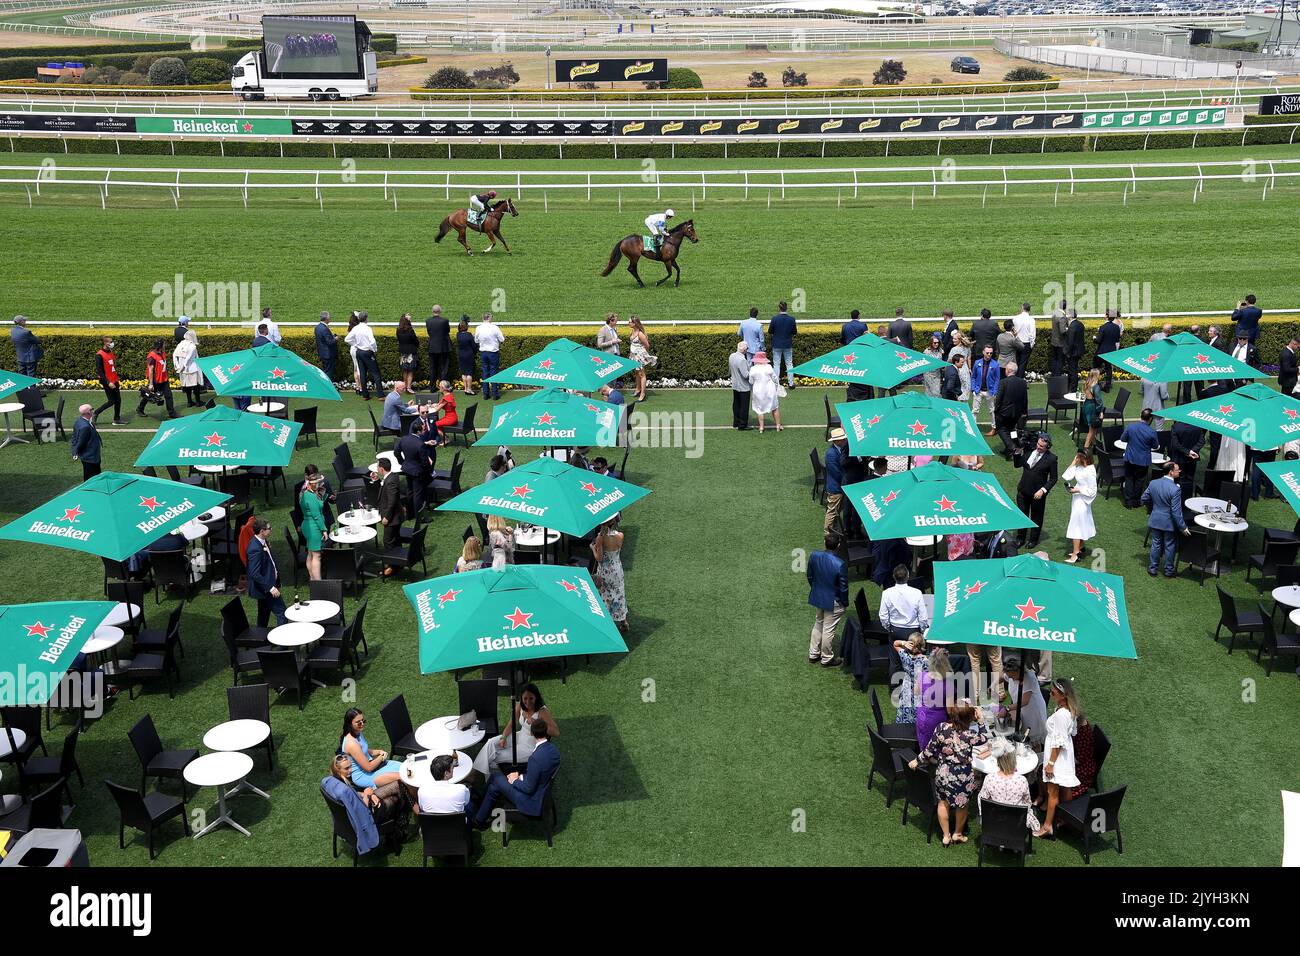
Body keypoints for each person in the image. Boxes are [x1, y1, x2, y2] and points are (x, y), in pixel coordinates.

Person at [909, 700, 988, 846]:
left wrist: (916, 761)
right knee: (962, 806)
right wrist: (981, 720)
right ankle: (957, 834)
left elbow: (928, 751)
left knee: (942, 803)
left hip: (943, 775)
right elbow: (984, 738)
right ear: (969, 718)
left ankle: (946, 836)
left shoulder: (941, 728)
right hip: (962, 778)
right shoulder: (970, 734)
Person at [473, 718, 560, 829]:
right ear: (546, 731)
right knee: (494, 787)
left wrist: (514, 780)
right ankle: (481, 814)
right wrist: (521, 776)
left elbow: (528, 788)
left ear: (532, 733)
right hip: (540, 792)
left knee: (495, 778)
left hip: (530, 801)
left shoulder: (535, 758)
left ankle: (480, 813)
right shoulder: (554, 751)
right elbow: (539, 774)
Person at [473, 683, 559, 776]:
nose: (528, 702)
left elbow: (556, 732)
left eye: (531, 698)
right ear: (521, 698)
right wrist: (504, 737)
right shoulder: (520, 706)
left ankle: (487, 777)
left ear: (536, 697)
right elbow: (511, 724)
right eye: (525, 698)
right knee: (491, 743)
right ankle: (474, 773)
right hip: (518, 737)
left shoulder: (542, 711)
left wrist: (536, 723)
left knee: (494, 757)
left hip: (530, 747)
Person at [1035, 678, 1082, 838]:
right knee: (1066, 789)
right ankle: (1066, 819)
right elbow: (1071, 734)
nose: (1052, 692)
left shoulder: (1062, 714)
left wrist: (1050, 764)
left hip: (1058, 759)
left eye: (1054, 691)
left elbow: (1059, 742)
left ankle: (1048, 825)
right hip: (1065, 757)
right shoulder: (1066, 709)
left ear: (1063, 694)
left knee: (1052, 792)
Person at [806, 532, 847, 667]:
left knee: (819, 623)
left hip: (819, 597)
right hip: (833, 601)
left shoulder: (814, 555)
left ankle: (813, 653)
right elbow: (843, 588)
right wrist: (844, 603)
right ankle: (827, 658)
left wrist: (816, 590)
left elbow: (810, 576)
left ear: (825, 543)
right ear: (839, 545)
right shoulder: (840, 564)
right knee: (828, 629)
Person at [1143, 461, 1190, 578]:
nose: (1179, 471)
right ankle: (1169, 570)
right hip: (1168, 523)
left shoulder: (1153, 483)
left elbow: (1144, 498)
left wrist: (1153, 509)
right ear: (1170, 472)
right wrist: (1183, 527)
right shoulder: (1175, 490)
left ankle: (1153, 568)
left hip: (1155, 519)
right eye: (1177, 470)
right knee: (1170, 545)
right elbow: (1176, 511)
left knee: (1156, 543)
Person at [1013, 431, 1057, 550]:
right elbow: (1017, 464)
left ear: (1047, 447)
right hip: (1023, 490)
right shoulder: (1029, 451)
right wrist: (1017, 451)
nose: (1038, 447)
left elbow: (1053, 479)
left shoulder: (1052, 459)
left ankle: (1033, 540)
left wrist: (1043, 490)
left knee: (1036, 517)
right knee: (1022, 514)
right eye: (1038, 444)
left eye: (1041, 446)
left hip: (1037, 494)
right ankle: (1020, 538)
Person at [978, 748, 1039, 832]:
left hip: (994, 819)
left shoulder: (989, 778)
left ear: (998, 761)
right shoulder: (1022, 780)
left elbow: (982, 799)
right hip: (1016, 820)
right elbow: (1027, 802)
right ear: (1014, 760)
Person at [339, 708, 402, 789]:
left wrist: (379, 751)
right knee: (400, 775)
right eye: (358, 722)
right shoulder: (351, 744)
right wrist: (381, 757)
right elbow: (369, 768)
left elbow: (363, 751)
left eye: (363, 721)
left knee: (402, 767)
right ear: (350, 724)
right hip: (364, 775)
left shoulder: (357, 732)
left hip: (371, 766)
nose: (362, 724)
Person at [246, 518, 286, 627]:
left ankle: (260, 639)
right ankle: (283, 642)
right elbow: (255, 573)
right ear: (262, 531)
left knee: (263, 614)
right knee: (282, 613)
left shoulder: (262, 542)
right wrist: (271, 588)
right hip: (265, 587)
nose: (271, 529)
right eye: (269, 528)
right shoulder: (255, 548)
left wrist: (277, 582)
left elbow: (270, 562)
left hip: (266, 586)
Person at [1001, 655, 1048, 748]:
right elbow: (1002, 676)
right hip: (1022, 710)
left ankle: (1037, 760)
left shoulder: (1029, 678)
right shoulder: (1011, 674)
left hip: (1033, 712)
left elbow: (1024, 701)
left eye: (1012, 676)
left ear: (1018, 671)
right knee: (1022, 738)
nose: (1010, 678)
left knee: (1033, 741)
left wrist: (1007, 708)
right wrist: (992, 685)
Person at [591, 517, 627, 633]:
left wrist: (593, 548)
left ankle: (606, 623)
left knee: (605, 595)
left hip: (606, 571)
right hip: (617, 569)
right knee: (619, 593)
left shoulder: (600, 538)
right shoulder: (620, 535)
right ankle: (623, 622)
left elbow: (599, 559)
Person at [1120, 408, 1160, 508]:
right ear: (1150, 419)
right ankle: (1136, 501)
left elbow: (1123, 439)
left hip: (1130, 458)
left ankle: (1128, 502)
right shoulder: (1151, 431)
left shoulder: (1131, 427)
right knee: (1139, 480)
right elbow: (1155, 446)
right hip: (1143, 461)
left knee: (1129, 479)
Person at [1062, 450, 1097, 564]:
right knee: (1080, 524)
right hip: (1077, 499)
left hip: (1082, 502)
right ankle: (1080, 548)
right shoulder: (1080, 466)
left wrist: (1078, 490)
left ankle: (1075, 554)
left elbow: (1092, 491)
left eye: (1078, 457)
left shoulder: (1090, 470)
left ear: (1083, 458)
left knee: (1076, 525)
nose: (1076, 458)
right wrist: (1073, 462)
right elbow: (1067, 477)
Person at [879, 564, 928, 642]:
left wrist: (889, 628)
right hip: (913, 631)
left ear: (894, 576)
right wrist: (921, 631)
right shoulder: (917, 593)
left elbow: (883, 616)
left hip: (895, 630)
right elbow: (923, 617)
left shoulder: (886, 593)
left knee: (895, 653)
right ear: (908, 576)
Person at [374, 458, 404, 575]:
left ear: (381, 469)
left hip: (392, 518)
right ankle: (398, 563)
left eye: (378, 468)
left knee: (388, 542)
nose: (377, 469)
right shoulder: (392, 477)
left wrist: (386, 517)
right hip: (396, 516)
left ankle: (392, 566)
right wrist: (378, 481)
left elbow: (391, 502)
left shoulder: (390, 481)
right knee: (395, 540)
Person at [417, 754, 471, 818]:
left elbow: (422, 807)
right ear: (446, 773)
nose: (453, 769)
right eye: (452, 768)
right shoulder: (461, 789)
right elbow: (466, 802)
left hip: (432, 826)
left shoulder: (422, 790)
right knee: (469, 806)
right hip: (455, 825)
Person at [344, 312, 382, 400]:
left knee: (362, 373)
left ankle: (365, 395)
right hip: (367, 351)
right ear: (366, 319)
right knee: (376, 373)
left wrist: (356, 344)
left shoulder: (356, 328)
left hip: (359, 352)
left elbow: (347, 339)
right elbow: (372, 341)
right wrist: (374, 349)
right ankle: (380, 395)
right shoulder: (367, 329)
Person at [891, 632, 927, 724]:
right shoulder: (926, 661)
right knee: (918, 711)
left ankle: (903, 729)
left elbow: (895, 643)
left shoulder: (905, 656)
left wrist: (903, 643)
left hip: (907, 688)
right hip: (919, 690)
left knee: (905, 710)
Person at [136, 338, 177, 419]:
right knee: (149, 395)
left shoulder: (162, 353)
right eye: (163, 344)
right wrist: (151, 384)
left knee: (168, 396)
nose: (165, 345)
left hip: (164, 379)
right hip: (156, 380)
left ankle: (171, 413)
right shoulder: (152, 356)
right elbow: (151, 370)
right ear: (160, 345)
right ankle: (140, 409)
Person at [992, 363, 1027, 456]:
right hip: (1016, 413)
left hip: (1004, 412)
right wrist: (1024, 412)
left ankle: (1010, 446)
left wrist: (996, 410)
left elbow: (999, 398)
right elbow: (1025, 399)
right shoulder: (1023, 382)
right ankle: (1015, 444)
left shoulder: (1003, 382)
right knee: (1012, 429)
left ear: (1007, 370)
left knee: (1001, 429)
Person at [300, 471, 327, 581]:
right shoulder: (310, 497)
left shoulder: (306, 494)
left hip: (308, 526)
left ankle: (312, 578)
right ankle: (318, 582)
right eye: (319, 482)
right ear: (313, 483)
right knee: (317, 556)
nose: (321, 484)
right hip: (314, 528)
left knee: (311, 554)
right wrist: (324, 530)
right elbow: (316, 516)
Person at [1168, 420, 1205, 500]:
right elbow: (1202, 441)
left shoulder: (1176, 427)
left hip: (1179, 458)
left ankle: (1177, 499)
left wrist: (1188, 452)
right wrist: (1192, 451)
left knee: (1178, 480)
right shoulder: (1198, 426)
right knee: (1190, 479)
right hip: (1192, 459)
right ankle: (1188, 499)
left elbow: (1175, 444)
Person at [93, 336, 125, 425]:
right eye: (110, 342)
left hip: (114, 379)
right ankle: (96, 413)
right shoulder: (99, 355)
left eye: (112, 341)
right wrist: (108, 382)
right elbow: (99, 371)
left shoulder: (110, 351)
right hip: (107, 381)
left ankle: (117, 419)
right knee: (112, 401)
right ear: (105, 343)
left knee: (118, 400)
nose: (112, 343)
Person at [748, 351, 782, 434]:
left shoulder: (753, 369)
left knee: (759, 409)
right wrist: (777, 385)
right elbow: (775, 378)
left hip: (758, 390)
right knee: (775, 407)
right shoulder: (769, 367)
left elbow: (751, 381)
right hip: (770, 389)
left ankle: (761, 427)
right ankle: (778, 425)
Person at [970, 345, 1001, 431]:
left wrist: (994, 391)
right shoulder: (977, 363)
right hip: (978, 390)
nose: (989, 354)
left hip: (990, 391)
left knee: (992, 411)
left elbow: (997, 380)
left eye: (991, 353)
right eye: (987, 353)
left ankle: (994, 427)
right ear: (983, 352)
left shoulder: (995, 364)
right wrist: (973, 388)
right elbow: (973, 377)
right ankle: (973, 427)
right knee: (975, 410)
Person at [475, 313, 505, 400]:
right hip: (493, 352)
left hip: (484, 352)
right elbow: (502, 339)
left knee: (485, 372)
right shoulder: (494, 327)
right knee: (494, 372)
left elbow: (476, 340)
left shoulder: (479, 328)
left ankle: (486, 394)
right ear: (489, 318)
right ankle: (495, 394)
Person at [824, 427, 847, 533]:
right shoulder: (831, 454)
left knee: (837, 510)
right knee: (832, 512)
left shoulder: (839, 450)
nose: (845, 440)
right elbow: (837, 473)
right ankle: (827, 533)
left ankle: (835, 529)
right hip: (836, 488)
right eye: (843, 439)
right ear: (836, 441)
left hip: (839, 486)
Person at [769, 301, 798, 387]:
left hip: (777, 344)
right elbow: (794, 332)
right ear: (786, 308)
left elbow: (770, 331)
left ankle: (776, 383)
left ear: (779, 308)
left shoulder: (774, 319)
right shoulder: (791, 319)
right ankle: (791, 383)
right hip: (787, 344)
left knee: (776, 364)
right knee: (789, 363)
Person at [69, 404, 102, 480]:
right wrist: (75, 451)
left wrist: (75, 451)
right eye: (92, 409)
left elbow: (74, 437)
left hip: (88, 456)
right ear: (88, 412)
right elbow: (81, 442)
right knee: (92, 478)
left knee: (91, 476)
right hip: (91, 457)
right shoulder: (85, 427)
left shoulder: (79, 421)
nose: (93, 410)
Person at [1094, 309, 1123, 391]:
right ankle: (1107, 386)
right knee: (1108, 368)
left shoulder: (1103, 327)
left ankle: (1095, 384)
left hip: (1102, 351)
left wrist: (1094, 338)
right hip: (1111, 350)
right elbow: (1117, 340)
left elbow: (1098, 340)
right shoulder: (1117, 327)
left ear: (1107, 316)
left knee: (1095, 367)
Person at [172, 327, 202, 407]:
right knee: (195, 385)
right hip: (192, 368)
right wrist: (183, 366)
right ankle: (198, 402)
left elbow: (174, 355)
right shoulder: (192, 346)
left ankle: (189, 402)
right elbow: (188, 357)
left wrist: (177, 366)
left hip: (183, 370)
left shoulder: (180, 344)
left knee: (187, 386)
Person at [628, 316, 655, 402]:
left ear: (634, 323)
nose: (628, 323)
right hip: (633, 355)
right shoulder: (632, 331)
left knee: (641, 374)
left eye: (630, 322)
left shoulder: (640, 334)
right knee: (636, 373)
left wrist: (642, 354)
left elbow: (647, 345)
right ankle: (637, 389)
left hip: (639, 356)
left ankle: (642, 394)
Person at [425, 305, 451, 387]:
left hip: (432, 347)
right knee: (444, 368)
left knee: (433, 368)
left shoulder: (428, 321)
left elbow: (429, 332)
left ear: (432, 311)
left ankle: (432, 387)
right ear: (439, 311)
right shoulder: (444, 321)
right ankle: (443, 386)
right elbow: (447, 331)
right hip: (443, 347)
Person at [1079, 368, 1104, 454]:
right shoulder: (1096, 386)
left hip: (1086, 406)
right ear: (1096, 375)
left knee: (1092, 428)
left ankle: (1095, 447)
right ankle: (1085, 449)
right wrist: (1101, 411)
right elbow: (1098, 400)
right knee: (1092, 430)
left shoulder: (1086, 383)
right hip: (1092, 407)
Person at [1231, 293, 1262, 360]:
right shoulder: (1259, 311)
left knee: (1239, 349)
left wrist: (1237, 308)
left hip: (1241, 334)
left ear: (1247, 301)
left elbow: (1233, 318)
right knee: (1250, 351)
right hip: (1252, 334)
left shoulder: (1243, 311)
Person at [728, 340, 751, 430]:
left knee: (736, 404)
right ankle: (742, 425)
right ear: (745, 350)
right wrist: (752, 372)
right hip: (743, 386)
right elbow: (745, 375)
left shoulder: (732, 356)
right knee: (744, 406)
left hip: (735, 384)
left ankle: (736, 422)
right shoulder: (742, 360)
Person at [396, 313, 420, 392]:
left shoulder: (398, 330)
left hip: (403, 353)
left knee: (405, 370)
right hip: (410, 353)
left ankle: (405, 386)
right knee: (410, 370)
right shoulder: (410, 330)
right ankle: (408, 387)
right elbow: (416, 341)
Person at [1064, 308, 1086, 392]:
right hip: (1078, 351)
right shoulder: (1080, 324)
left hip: (1073, 352)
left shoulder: (1072, 326)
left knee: (1072, 371)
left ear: (1070, 315)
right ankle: (1072, 387)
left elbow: (1070, 342)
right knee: (1074, 370)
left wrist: (1067, 352)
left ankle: (1072, 389)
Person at [1012, 302, 1036, 376]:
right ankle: (1019, 380)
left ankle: (1016, 379)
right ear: (1029, 310)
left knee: (1017, 361)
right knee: (1023, 363)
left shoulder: (1015, 318)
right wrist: (1031, 344)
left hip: (1017, 342)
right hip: (1026, 343)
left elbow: (1013, 330)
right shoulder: (1031, 320)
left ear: (1022, 308)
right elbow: (1032, 334)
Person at [430, 380, 457, 444]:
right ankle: (444, 437)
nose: (439, 388)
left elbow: (437, 409)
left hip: (450, 418)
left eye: (439, 386)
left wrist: (432, 407)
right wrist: (435, 405)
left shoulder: (446, 397)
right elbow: (440, 404)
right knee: (437, 424)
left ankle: (446, 439)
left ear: (443, 388)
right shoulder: (448, 395)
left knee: (433, 425)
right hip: (452, 417)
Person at [455, 316, 477, 395]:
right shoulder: (469, 335)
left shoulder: (458, 335)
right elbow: (474, 346)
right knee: (469, 373)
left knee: (464, 372)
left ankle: (465, 388)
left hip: (461, 355)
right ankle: (469, 389)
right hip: (469, 355)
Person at [315, 311, 338, 383]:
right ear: (326, 318)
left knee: (325, 371)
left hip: (323, 353)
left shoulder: (318, 327)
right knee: (328, 372)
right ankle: (328, 388)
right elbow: (330, 342)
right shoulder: (324, 328)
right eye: (329, 317)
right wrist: (335, 339)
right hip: (328, 354)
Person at [1049, 299, 1069, 377]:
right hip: (1060, 342)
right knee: (1060, 360)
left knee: (1055, 359)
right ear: (1065, 307)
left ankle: (1054, 374)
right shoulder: (1062, 316)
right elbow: (1062, 331)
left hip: (1054, 340)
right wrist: (1069, 329)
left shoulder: (1055, 313)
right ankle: (1057, 376)